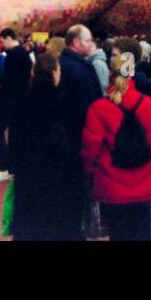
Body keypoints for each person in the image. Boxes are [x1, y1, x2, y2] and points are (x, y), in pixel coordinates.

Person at [80, 52, 151, 240]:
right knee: (144, 231)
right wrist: (150, 164)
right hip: (143, 179)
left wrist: (91, 172)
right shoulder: (149, 104)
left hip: (110, 181)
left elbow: (90, 148)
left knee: (118, 233)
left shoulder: (98, 107)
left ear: (111, 74)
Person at [10, 53, 83, 240]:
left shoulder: (21, 101)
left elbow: (15, 142)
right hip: (61, 174)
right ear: (55, 73)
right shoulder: (65, 101)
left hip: (29, 176)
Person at [60, 24, 107, 239]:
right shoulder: (81, 70)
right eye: (88, 41)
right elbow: (90, 108)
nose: (91, 44)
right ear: (76, 42)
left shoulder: (66, 65)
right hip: (80, 138)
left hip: (69, 139)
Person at [0, 28, 31, 183]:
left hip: (10, 101)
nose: (1, 45)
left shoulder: (14, 54)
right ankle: (12, 168)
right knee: (14, 135)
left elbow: (9, 79)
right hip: (18, 101)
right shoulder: (22, 53)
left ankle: (6, 168)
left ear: (9, 37)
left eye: (2, 41)